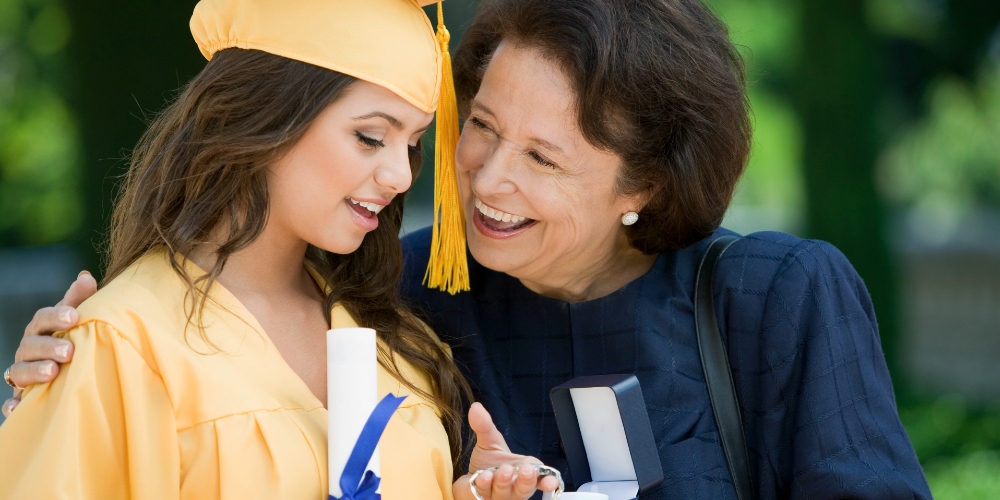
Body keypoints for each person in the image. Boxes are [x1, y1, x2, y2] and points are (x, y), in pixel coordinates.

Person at [7, 0, 933, 498]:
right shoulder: (406, 302)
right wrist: (70, 373)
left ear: (642, 187)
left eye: (544, 158)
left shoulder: (772, 301)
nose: (482, 183)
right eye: (480, 127)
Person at [0, 0, 558, 499]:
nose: (399, 176)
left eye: (412, 145)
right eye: (370, 136)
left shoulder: (398, 343)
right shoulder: (119, 345)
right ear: (265, 115)